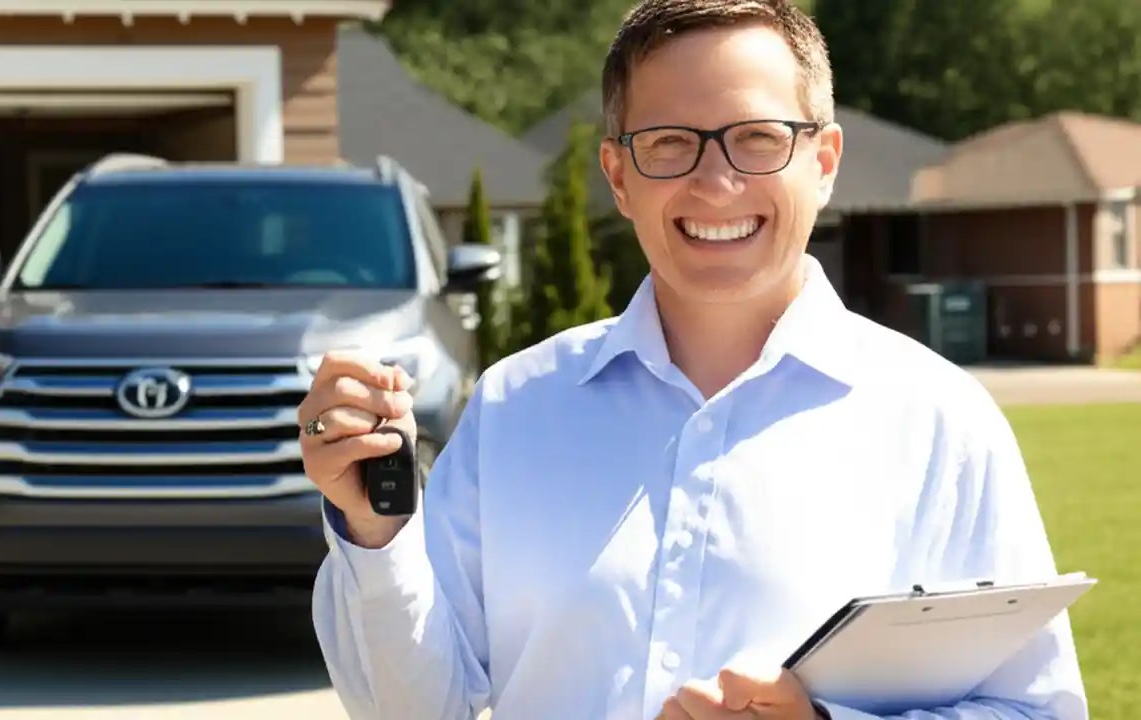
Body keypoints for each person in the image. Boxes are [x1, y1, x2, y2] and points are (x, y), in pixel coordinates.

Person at [297, 1, 1088, 718]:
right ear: (618, 175)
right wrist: (375, 534)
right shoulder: (515, 406)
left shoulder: (936, 419)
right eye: (670, 143)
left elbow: (1035, 712)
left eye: (757, 138)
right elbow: (415, 710)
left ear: (824, 160)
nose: (717, 182)